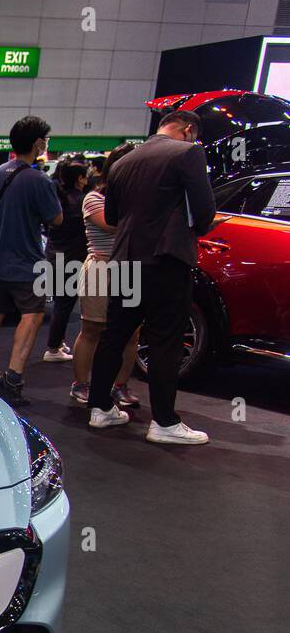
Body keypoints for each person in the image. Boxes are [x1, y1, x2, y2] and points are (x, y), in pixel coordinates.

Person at [87, 110, 216, 444]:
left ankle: (100, 408)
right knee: (165, 340)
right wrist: (198, 228)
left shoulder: (122, 162)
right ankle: (164, 422)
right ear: (188, 130)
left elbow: (114, 216)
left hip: (126, 259)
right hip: (166, 259)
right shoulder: (188, 153)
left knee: (114, 335)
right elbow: (204, 211)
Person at [0, 116, 63, 406]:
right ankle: (13, 380)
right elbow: (56, 218)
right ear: (38, 143)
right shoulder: (39, 179)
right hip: (27, 262)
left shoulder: (2, 171)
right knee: (33, 315)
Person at [71, 143, 140, 407]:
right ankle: (81, 384)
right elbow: (113, 225)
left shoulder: (136, 200)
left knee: (132, 333)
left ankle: (120, 385)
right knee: (92, 329)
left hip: (129, 267)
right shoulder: (94, 198)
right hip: (101, 267)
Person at [42, 159, 89, 363]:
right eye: (85, 176)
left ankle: (57, 343)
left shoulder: (58, 198)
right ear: (79, 178)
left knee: (60, 303)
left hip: (53, 254)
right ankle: (53, 347)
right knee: (64, 304)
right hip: (72, 257)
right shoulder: (82, 201)